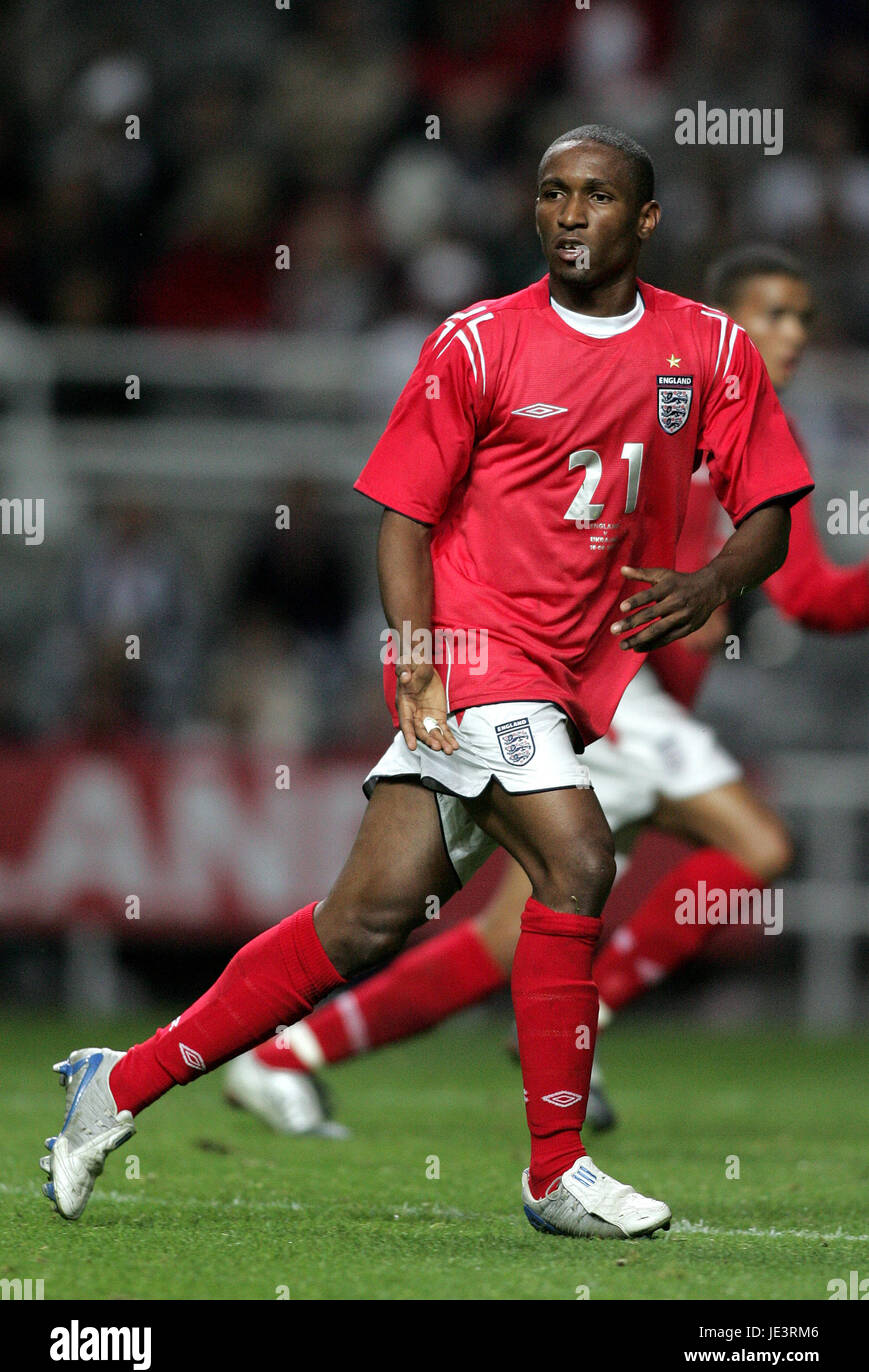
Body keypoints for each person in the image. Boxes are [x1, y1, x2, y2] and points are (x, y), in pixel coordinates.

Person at [41, 126, 812, 1240]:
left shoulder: (708, 349)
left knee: (362, 923)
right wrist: (416, 656)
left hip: (566, 671)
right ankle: (556, 1171)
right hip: (473, 647)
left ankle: (114, 1085)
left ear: (645, 219)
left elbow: (772, 510)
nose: (568, 214)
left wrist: (712, 580)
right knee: (577, 857)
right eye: (551, 192)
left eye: (596, 196)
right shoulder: (476, 342)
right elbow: (402, 518)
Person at [228, 246, 867, 1137]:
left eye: (802, 319)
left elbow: (801, 595)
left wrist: (711, 589)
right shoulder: (669, 389)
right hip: (590, 685)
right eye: (772, 316)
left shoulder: (740, 427)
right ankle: (588, 1033)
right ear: (722, 324)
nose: (791, 335)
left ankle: (287, 1054)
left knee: (496, 938)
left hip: (595, 692)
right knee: (756, 844)